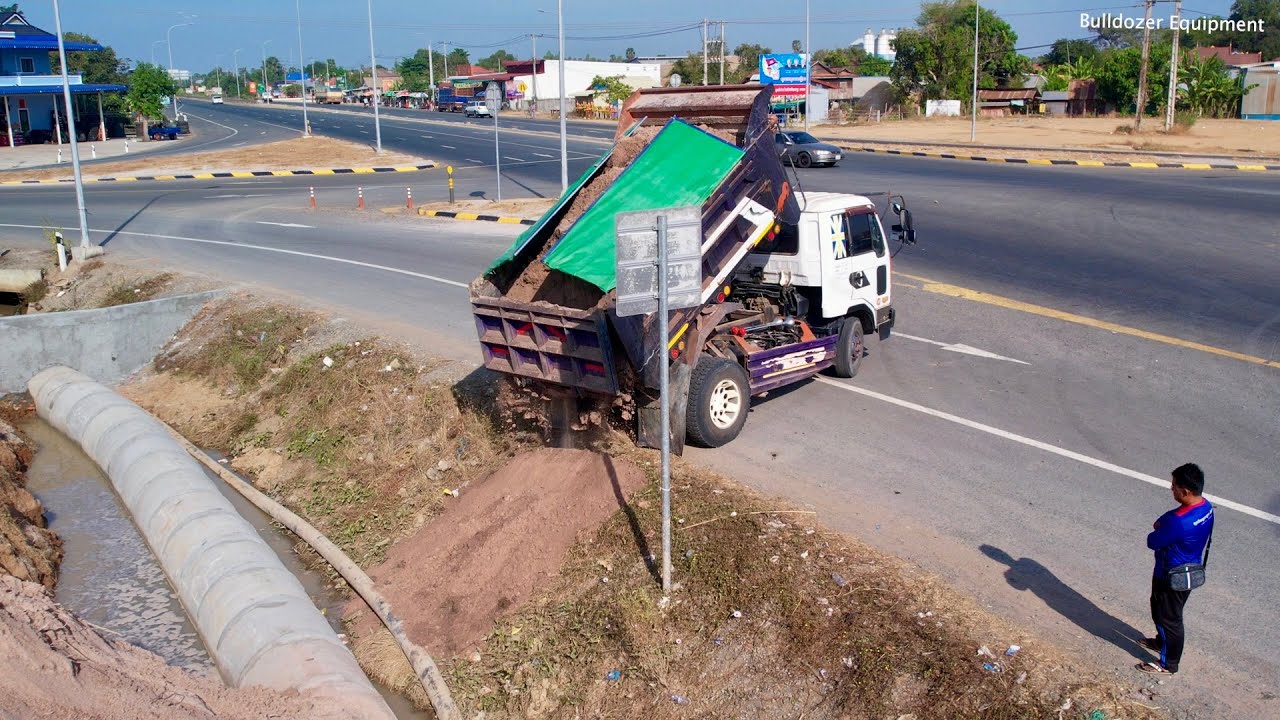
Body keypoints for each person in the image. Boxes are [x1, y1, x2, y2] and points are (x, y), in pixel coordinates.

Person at [1138, 463, 1214, 675]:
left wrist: (1163, 525)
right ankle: (1161, 643)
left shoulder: (1178, 522)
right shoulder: (1205, 507)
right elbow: (1168, 520)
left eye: (1174, 487)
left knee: (1168, 619)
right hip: (1188, 569)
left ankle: (1168, 664)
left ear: (1185, 491)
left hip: (1169, 574)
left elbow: (1152, 540)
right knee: (1162, 610)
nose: (1172, 489)